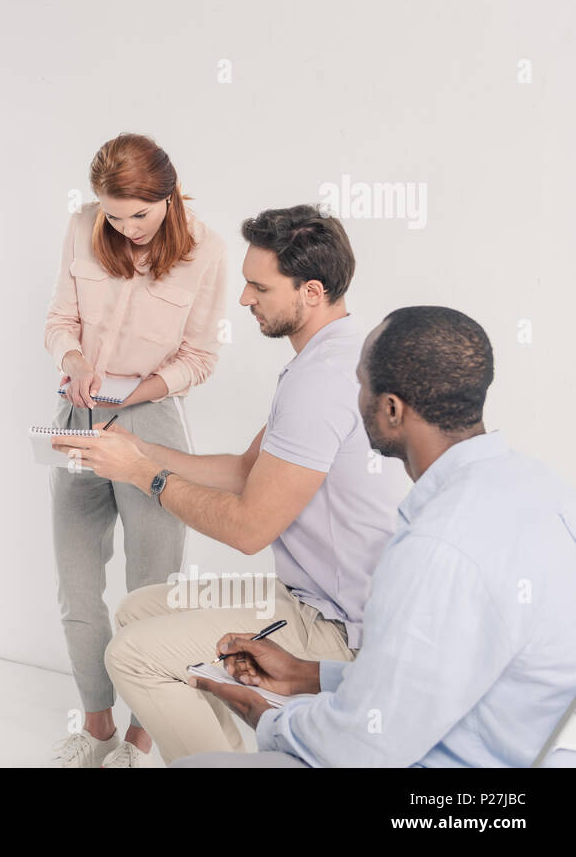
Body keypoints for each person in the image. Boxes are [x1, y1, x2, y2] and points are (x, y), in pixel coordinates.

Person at [55, 205, 407, 766]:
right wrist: (132, 449)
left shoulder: (321, 380)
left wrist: (141, 474)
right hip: (309, 598)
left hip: (339, 628)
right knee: (138, 609)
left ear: (311, 291)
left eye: (258, 286)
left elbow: (248, 528)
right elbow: (248, 470)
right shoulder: (336, 353)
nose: (244, 299)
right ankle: (228, 754)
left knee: (132, 654)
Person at [173, 306, 576, 767]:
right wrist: (309, 675)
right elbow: (429, 682)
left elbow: (361, 748)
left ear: (390, 410)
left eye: (360, 383)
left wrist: (263, 715)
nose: (355, 394)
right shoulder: (542, 487)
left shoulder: (434, 547)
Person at [44, 133, 228, 767]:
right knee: (76, 582)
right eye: (112, 216)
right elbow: (60, 319)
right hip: (78, 414)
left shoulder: (205, 250)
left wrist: (135, 391)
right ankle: (96, 731)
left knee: (151, 588)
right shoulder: (82, 226)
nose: (125, 229)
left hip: (150, 422)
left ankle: (139, 740)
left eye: (139, 215)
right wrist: (73, 359)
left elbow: (200, 356)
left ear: (168, 197)